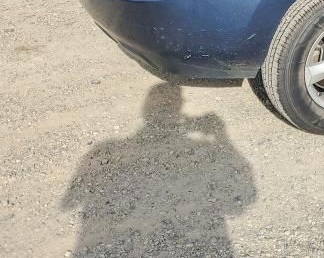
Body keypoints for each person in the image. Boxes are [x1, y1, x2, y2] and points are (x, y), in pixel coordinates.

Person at [62, 83, 255, 257]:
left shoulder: (106, 149)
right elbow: (240, 203)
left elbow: (69, 202)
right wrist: (222, 136)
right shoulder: (201, 147)